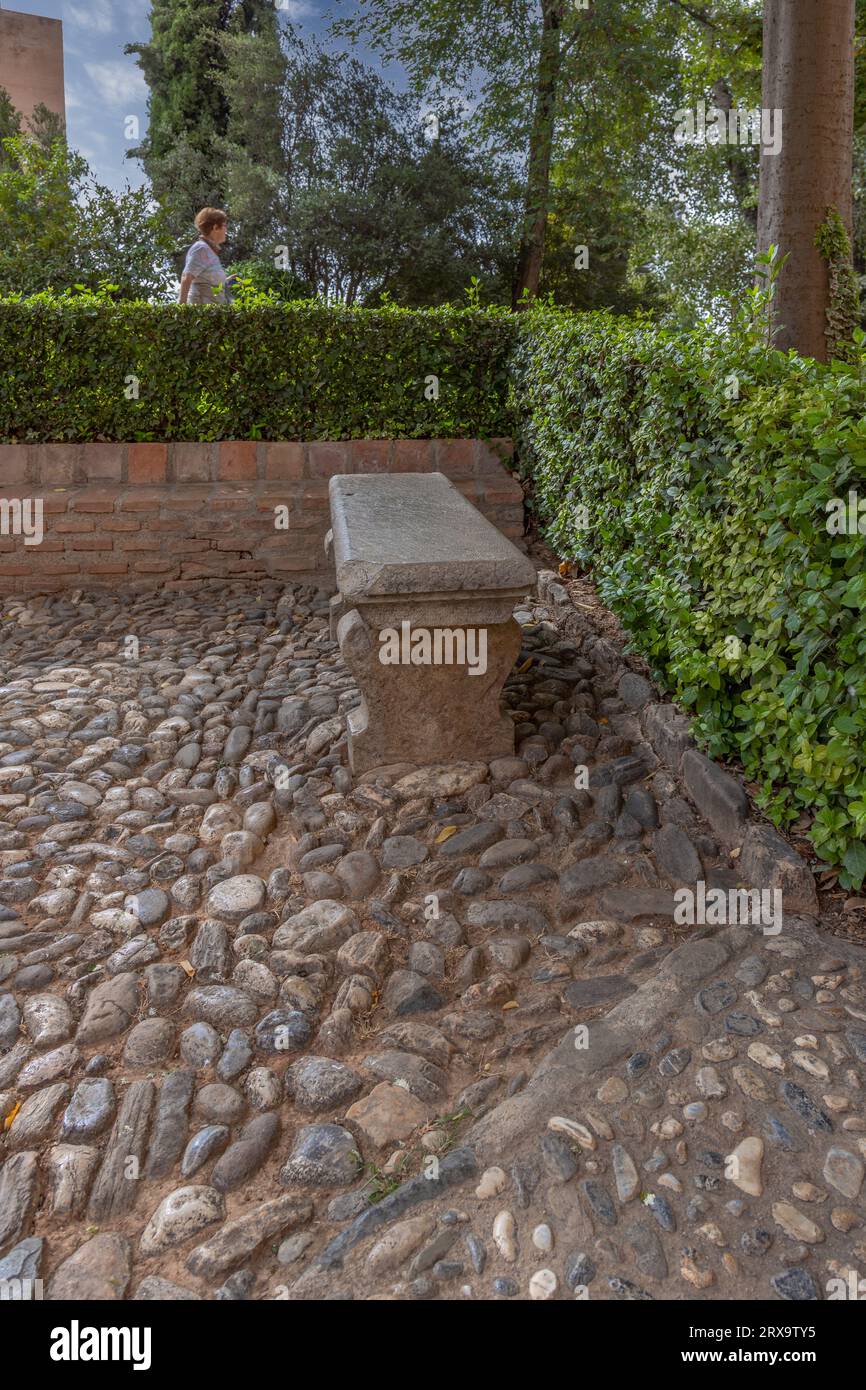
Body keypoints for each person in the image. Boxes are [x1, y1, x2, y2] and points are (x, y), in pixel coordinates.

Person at [179, 207, 237, 305]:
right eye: (224, 225)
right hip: (200, 315)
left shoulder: (210, 250)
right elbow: (186, 277)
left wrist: (226, 282)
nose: (226, 229)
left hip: (212, 315)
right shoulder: (202, 248)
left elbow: (205, 282)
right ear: (215, 227)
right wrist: (181, 311)